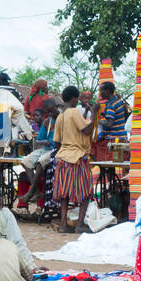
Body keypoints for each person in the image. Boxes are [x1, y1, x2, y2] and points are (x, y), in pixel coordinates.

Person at [53, 85, 95, 233]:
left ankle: (64, 224)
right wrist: (94, 113)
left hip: (62, 158)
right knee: (85, 192)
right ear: (74, 98)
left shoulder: (61, 116)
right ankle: (79, 225)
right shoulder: (74, 112)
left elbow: (57, 142)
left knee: (64, 194)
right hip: (77, 158)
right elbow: (87, 129)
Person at [95, 81, 130, 162]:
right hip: (121, 137)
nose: (100, 94)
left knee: (108, 163)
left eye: (101, 91)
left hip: (114, 140)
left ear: (107, 91)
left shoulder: (111, 105)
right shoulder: (118, 101)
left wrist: (96, 121)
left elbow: (109, 124)